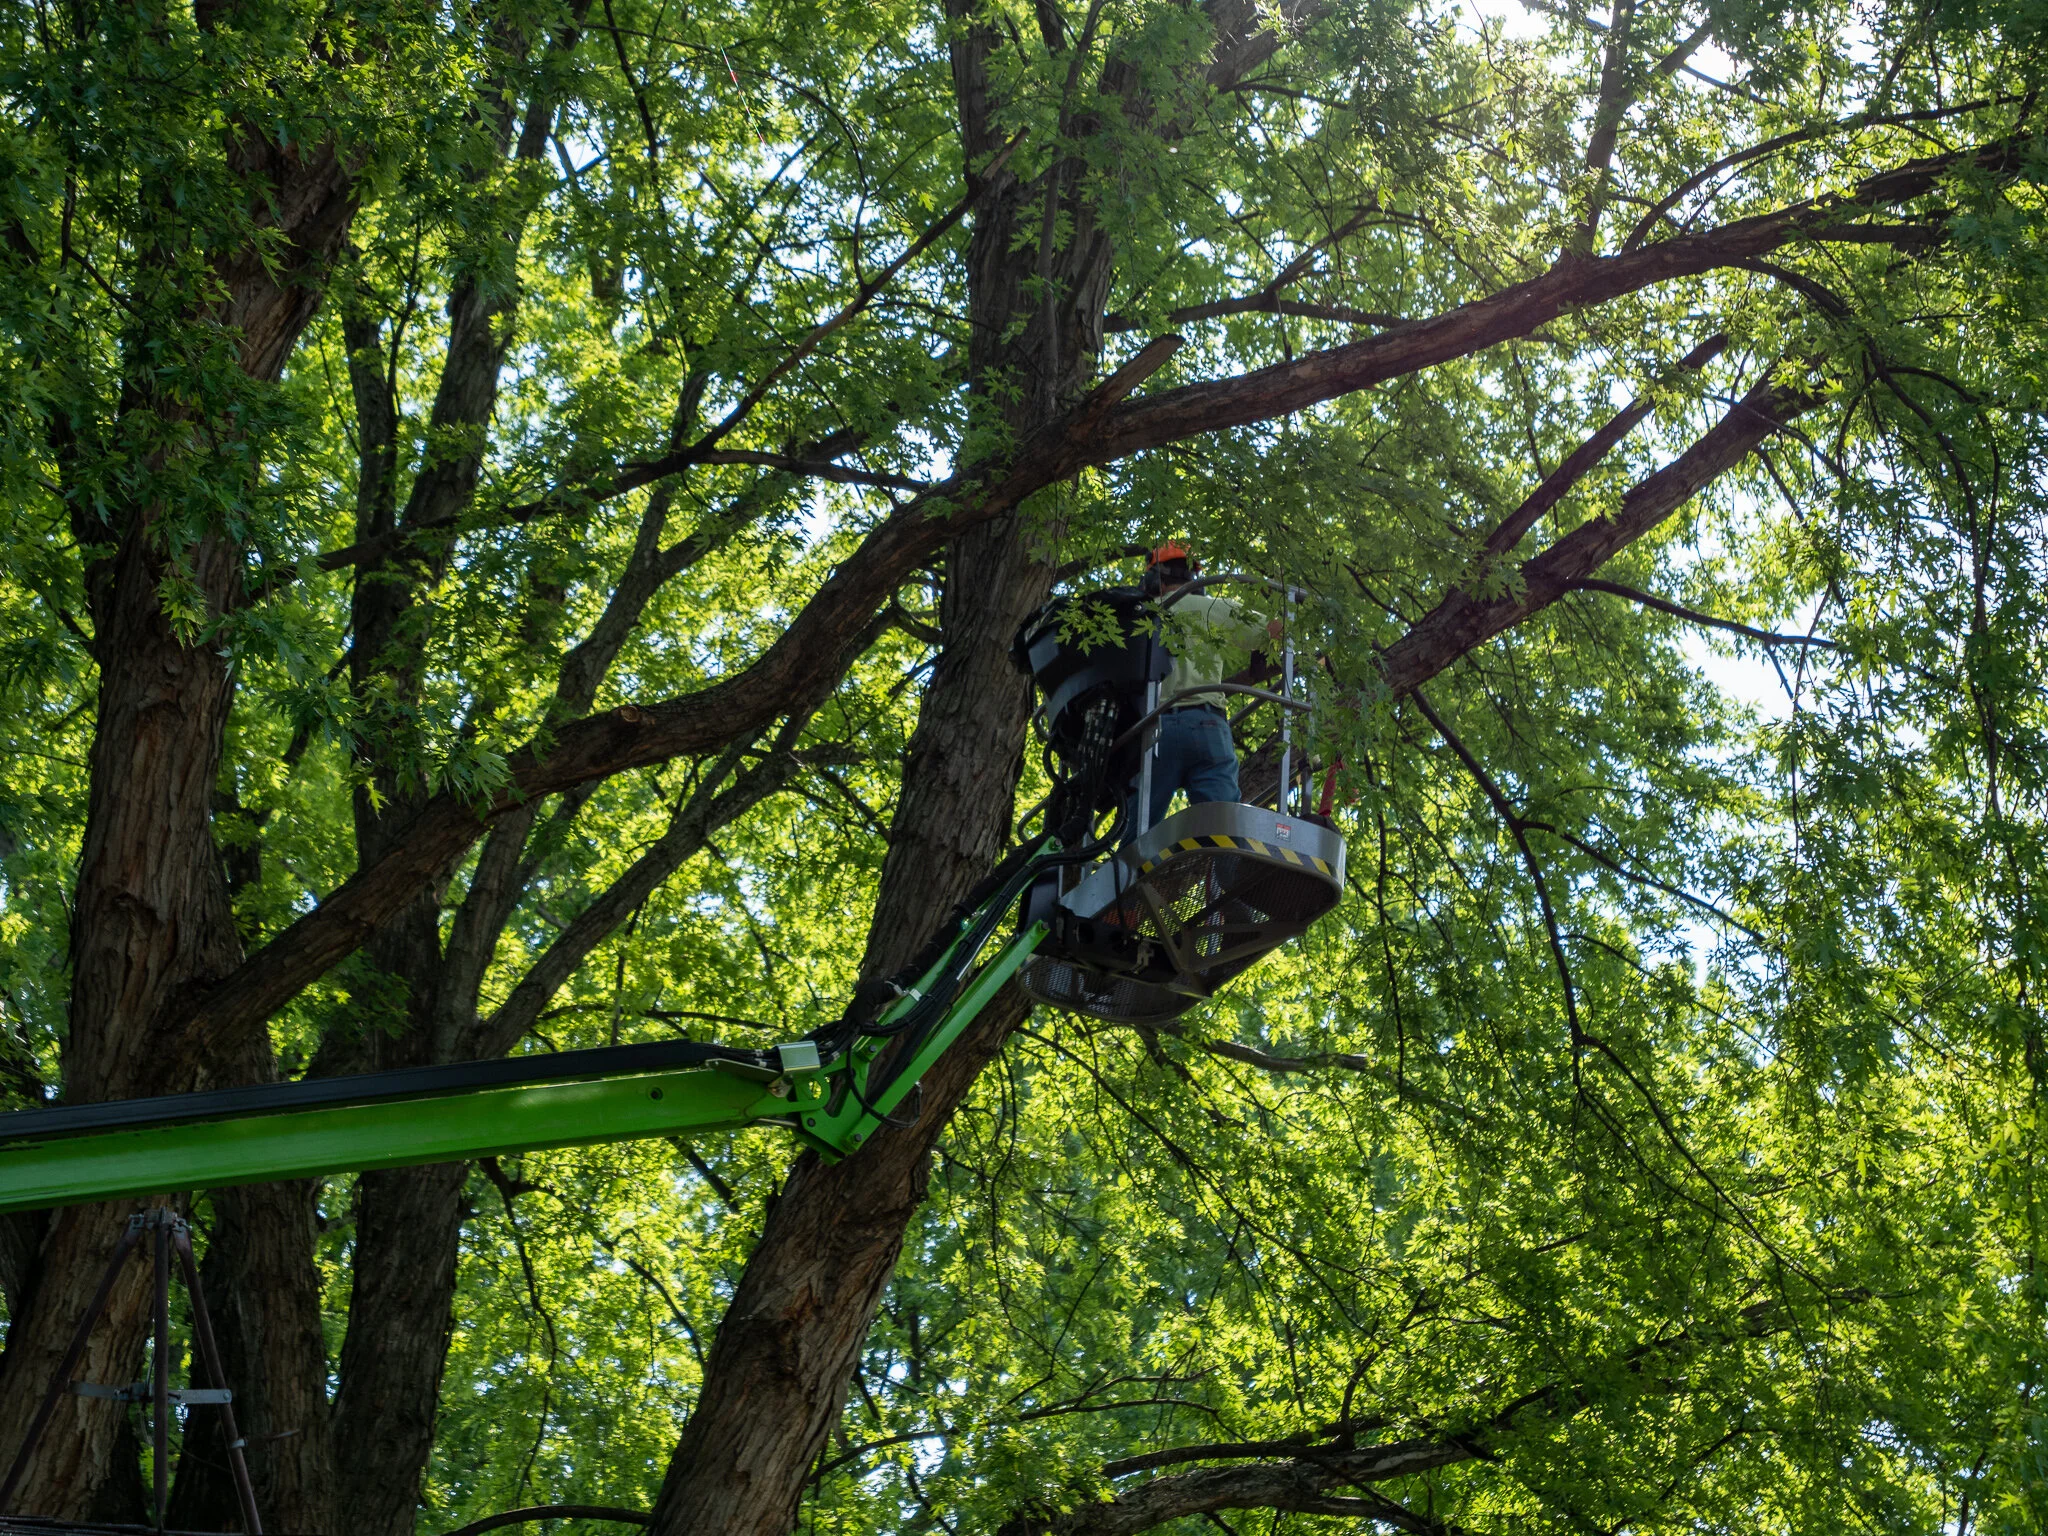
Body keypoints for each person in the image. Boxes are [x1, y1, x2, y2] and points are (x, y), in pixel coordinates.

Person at [1127, 542, 1281, 833]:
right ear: (1193, 579)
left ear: (1152, 578)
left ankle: (1130, 875)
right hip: (1208, 725)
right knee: (1225, 831)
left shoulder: (1137, 617)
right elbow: (1275, 630)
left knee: (1137, 834)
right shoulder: (1210, 607)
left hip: (1155, 730)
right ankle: (1226, 875)